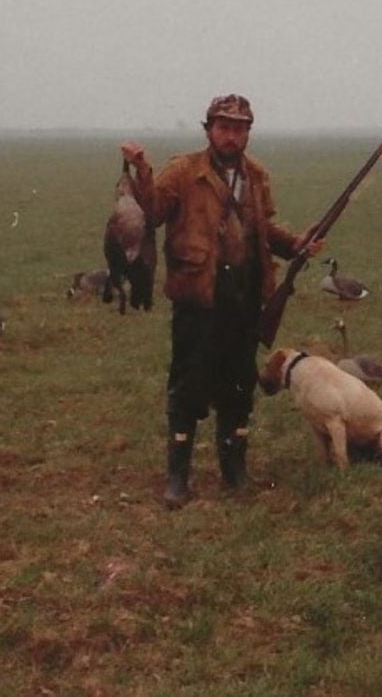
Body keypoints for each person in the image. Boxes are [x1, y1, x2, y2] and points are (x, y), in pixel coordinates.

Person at [119, 94, 323, 509]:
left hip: (244, 299)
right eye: (224, 127)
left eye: (239, 129)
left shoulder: (257, 175)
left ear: (248, 133)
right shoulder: (183, 171)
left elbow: (262, 230)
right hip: (199, 298)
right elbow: (152, 212)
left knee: (238, 388)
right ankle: (178, 478)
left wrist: (296, 244)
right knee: (188, 388)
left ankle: (235, 472)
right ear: (209, 129)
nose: (231, 136)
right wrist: (142, 169)